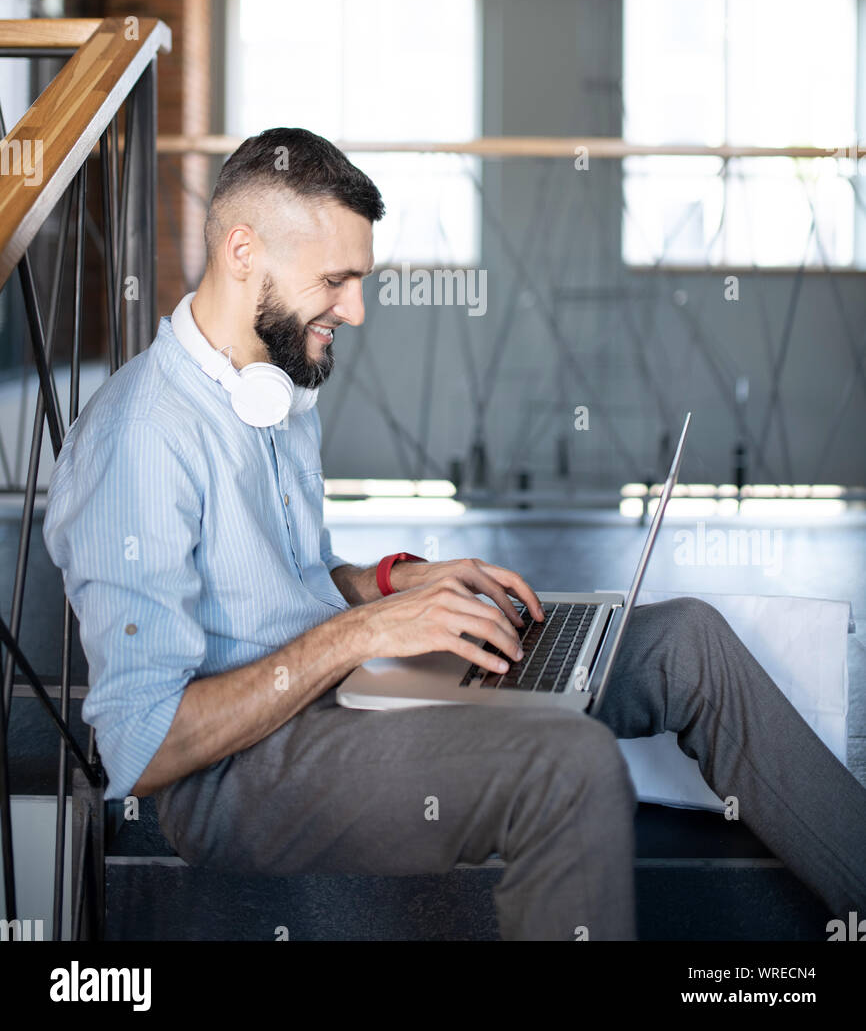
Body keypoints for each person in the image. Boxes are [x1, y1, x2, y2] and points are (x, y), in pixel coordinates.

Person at [43, 127, 866, 940]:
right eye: (337, 280)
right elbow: (144, 747)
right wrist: (364, 632)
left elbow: (293, 581)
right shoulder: (143, 439)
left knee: (687, 641)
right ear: (242, 250)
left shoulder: (274, 386)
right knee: (567, 766)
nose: (357, 309)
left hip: (339, 689)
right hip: (237, 773)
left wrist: (398, 583)